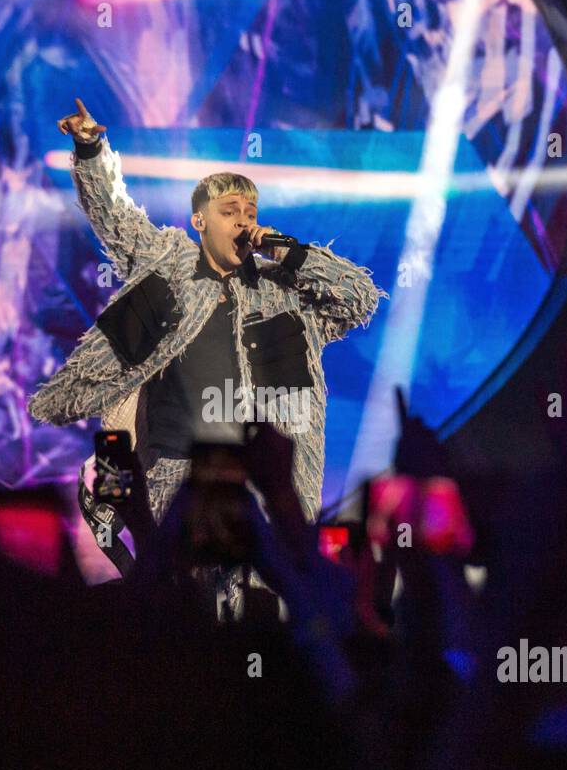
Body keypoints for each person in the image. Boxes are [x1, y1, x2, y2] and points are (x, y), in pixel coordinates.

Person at [30, 98, 387, 613]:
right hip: (176, 476)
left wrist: (288, 252)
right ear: (200, 221)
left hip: (262, 483)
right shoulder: (169, 264)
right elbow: (116, 219)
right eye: (230, 212)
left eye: (251, 212)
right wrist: (90, 147)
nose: (244, 222)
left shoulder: (282, 291)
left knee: (263, 618)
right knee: (187, 613)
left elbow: (359, 298)